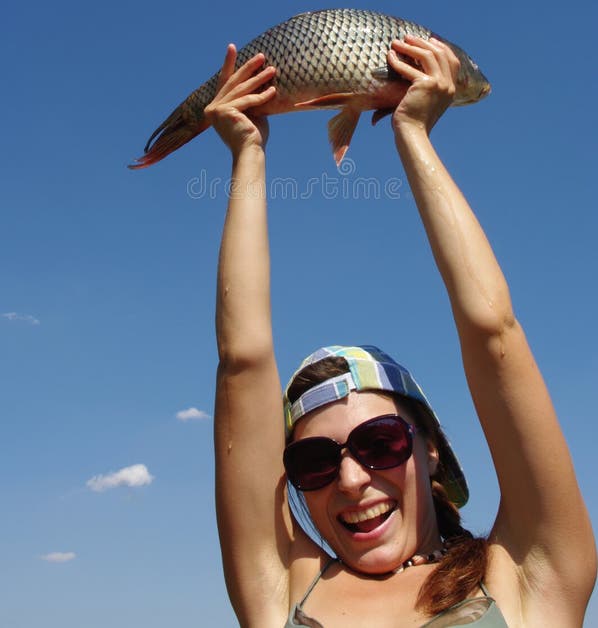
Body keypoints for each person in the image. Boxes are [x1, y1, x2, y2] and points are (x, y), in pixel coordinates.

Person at [206, 36, 596, 627]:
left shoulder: (527, 571)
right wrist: (249, 153)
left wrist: (411, 134)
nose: (351, 478)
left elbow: (494, 332)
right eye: (313, 461)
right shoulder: (284, 589)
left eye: (380, 441)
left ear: (430, 447)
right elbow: (243, 360)